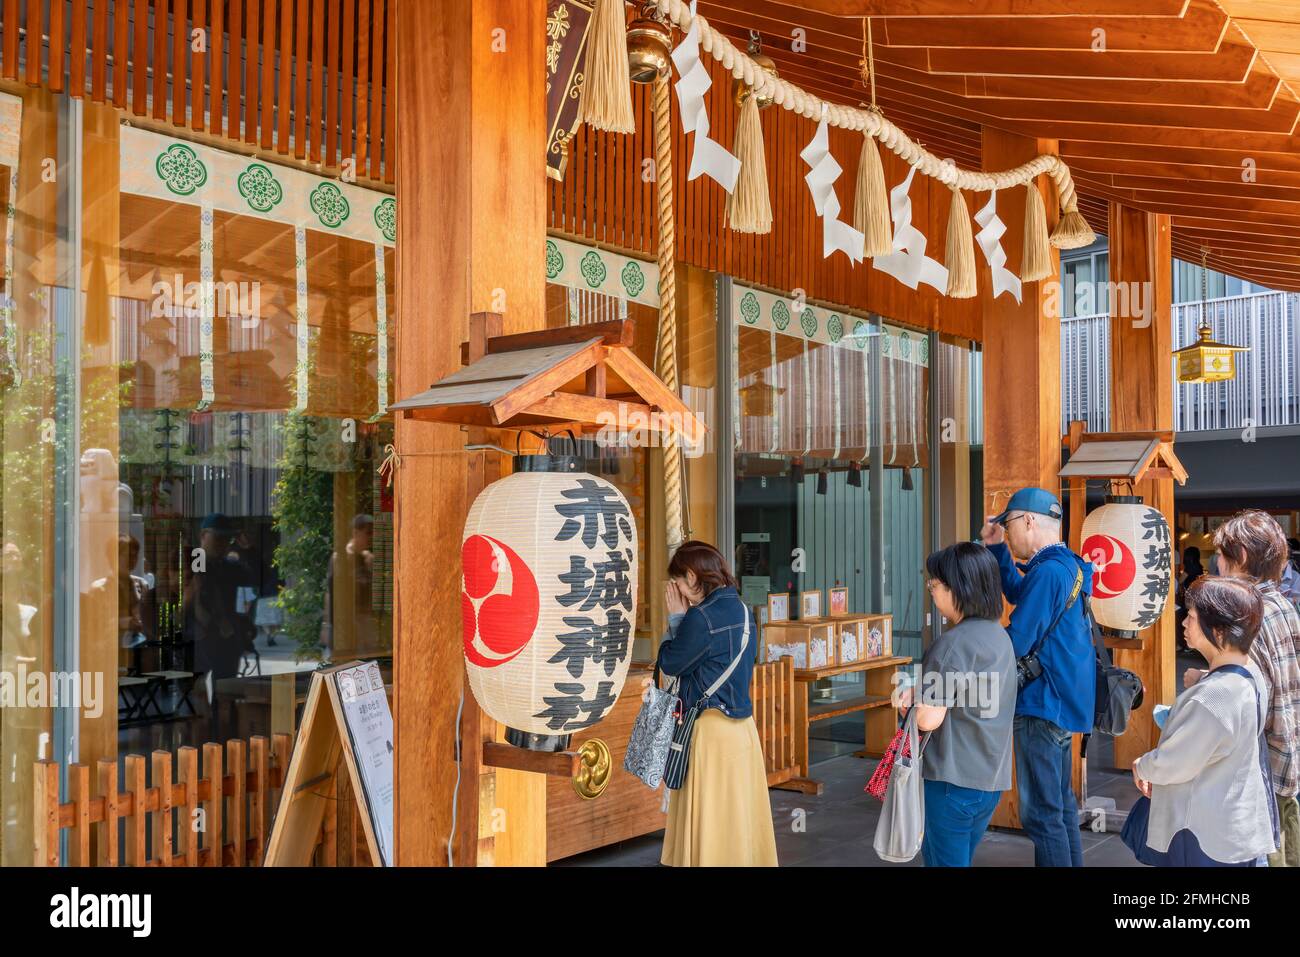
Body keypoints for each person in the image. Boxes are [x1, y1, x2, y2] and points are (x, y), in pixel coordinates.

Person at [980, 487, 1094, 867]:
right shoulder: (1067, 566)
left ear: (1028, 520)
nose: (1008, 533)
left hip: (1041, 705)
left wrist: (970, 647)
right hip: (1063, 703)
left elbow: (1018, 639)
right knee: (1060, 808)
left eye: (1008, 525)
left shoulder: (1047, 573)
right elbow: (1019, 592)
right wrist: (997, 548)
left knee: (1041, 816)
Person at [1132, 576, 1277, 866]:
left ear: (1220, 631)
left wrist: (1142, 765)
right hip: (1234, 822)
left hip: (1203, 832)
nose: (1184, 622)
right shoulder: (1250, 673)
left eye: (1193, 617)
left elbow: (1174, 762)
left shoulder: (1214, 697)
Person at [1184, 510, 1300, 867]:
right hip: (1289, 760)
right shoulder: (1284, 604)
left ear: (1242, 557)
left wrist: (1203, 683)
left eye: (1221, 554)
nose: (1217, 562)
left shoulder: (1249, 612)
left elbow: (1248, 699)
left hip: (1263, 771)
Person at [653, 540, 777, 867]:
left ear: (693, 576)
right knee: (737, 822)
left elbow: (670, 663)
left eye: (678, 581)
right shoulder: (742, 609)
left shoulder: (700, 618)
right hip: (742, 731)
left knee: (710, 821)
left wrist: (677, 619)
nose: (676, 589)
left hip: (708, 733)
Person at [903, 542, 1016, 867]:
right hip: (989, 780)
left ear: (959, 589)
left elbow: (927, 719)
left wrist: (907, 703)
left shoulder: (952, 644)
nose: (932, 593)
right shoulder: (998, 636)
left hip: (952, 780)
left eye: (935, 585)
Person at [1175, 546, 1205, 649]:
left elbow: (1180, 581)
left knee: (1185, 620)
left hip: (1189, 597)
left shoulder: (1189, 569)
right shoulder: (1199, 567)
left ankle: (1184, 645)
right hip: (1198, 595)